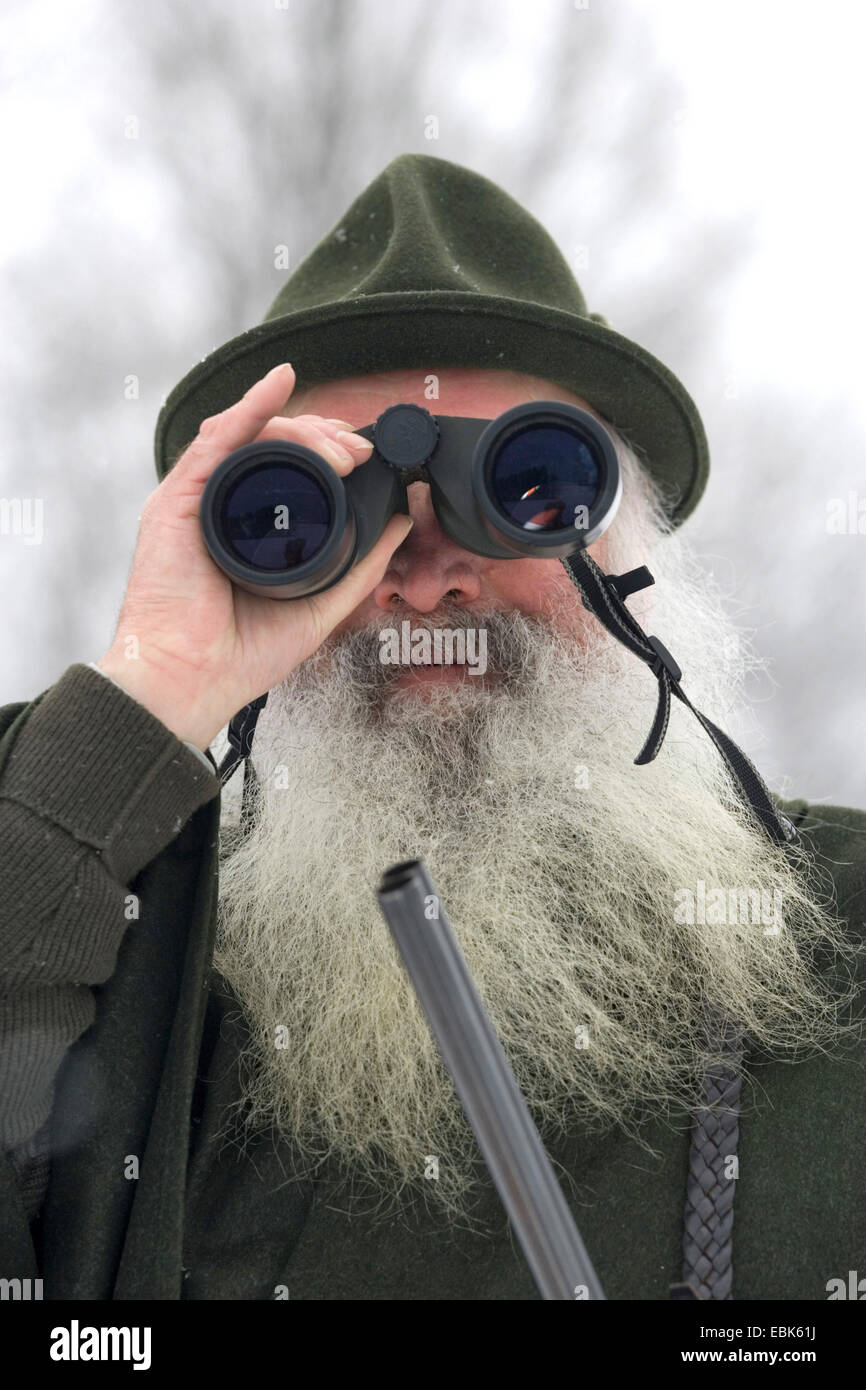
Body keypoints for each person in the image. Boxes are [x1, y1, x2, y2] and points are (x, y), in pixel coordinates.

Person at [1, 154, 864, 1302]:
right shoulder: (122, 971)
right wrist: (151, 683)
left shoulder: (838, 933)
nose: (424, 579)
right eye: (316, 509)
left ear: (625, 545)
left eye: (524, 488)